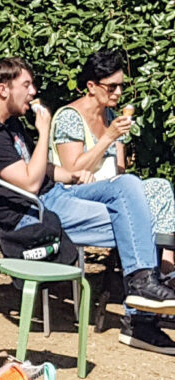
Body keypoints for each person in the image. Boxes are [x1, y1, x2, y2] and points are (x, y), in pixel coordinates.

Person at [0, 58, 175, 315]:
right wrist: (44, 130)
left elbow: (40, 169)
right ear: (3, 89)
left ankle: (143, 286)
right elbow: (29, 182)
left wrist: (72, 175)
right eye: (26, 85)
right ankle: (140, 317)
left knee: (126, 184)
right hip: (35, 213)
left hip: (55, 195)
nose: (33, 92)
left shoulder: (9, 124)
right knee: (138, 219)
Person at [50, 48, 174, 268]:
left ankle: (165, 267)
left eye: (121, 86)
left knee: (161, 189)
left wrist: (119, 141)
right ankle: (150, 274)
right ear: (91, 86)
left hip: (111, 190)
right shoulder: (70, 117)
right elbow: (72, 169)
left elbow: (120, 173)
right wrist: (108, 137)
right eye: (111, 87)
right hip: (77, 193)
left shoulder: (110, 115)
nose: (118, 92)